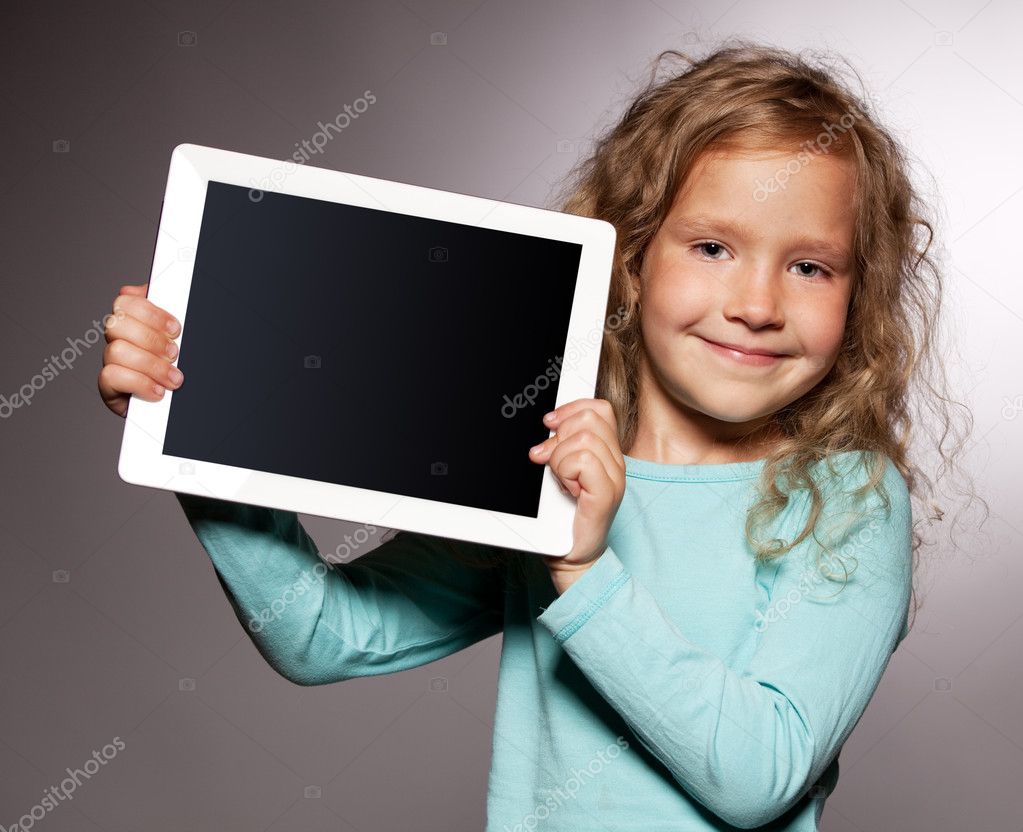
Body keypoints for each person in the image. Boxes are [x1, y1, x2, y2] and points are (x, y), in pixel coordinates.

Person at [97, 41, 973, 831]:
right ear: (630, 258)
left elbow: (757, 777)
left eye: (809, 266)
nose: (756, 304)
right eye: (711, 247)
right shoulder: (546, 463)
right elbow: (320, 634)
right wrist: (188, 418)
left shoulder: (849, 500)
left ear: (858, 296)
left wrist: (583, 572)